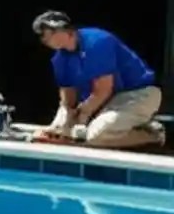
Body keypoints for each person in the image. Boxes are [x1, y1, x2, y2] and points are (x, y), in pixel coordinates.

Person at [31, 11, 164, 148]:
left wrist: (81, 117)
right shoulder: (59, 59)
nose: (44, 38)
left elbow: (103, 90)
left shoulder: (97, 41)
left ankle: (154, 134)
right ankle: (132, 126)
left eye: (47, 32)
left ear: (63, 29)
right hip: (105, 102)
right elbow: (68, 101)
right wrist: (58, 126)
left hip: (139, 94)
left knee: (96, 136)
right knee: (76, 133)